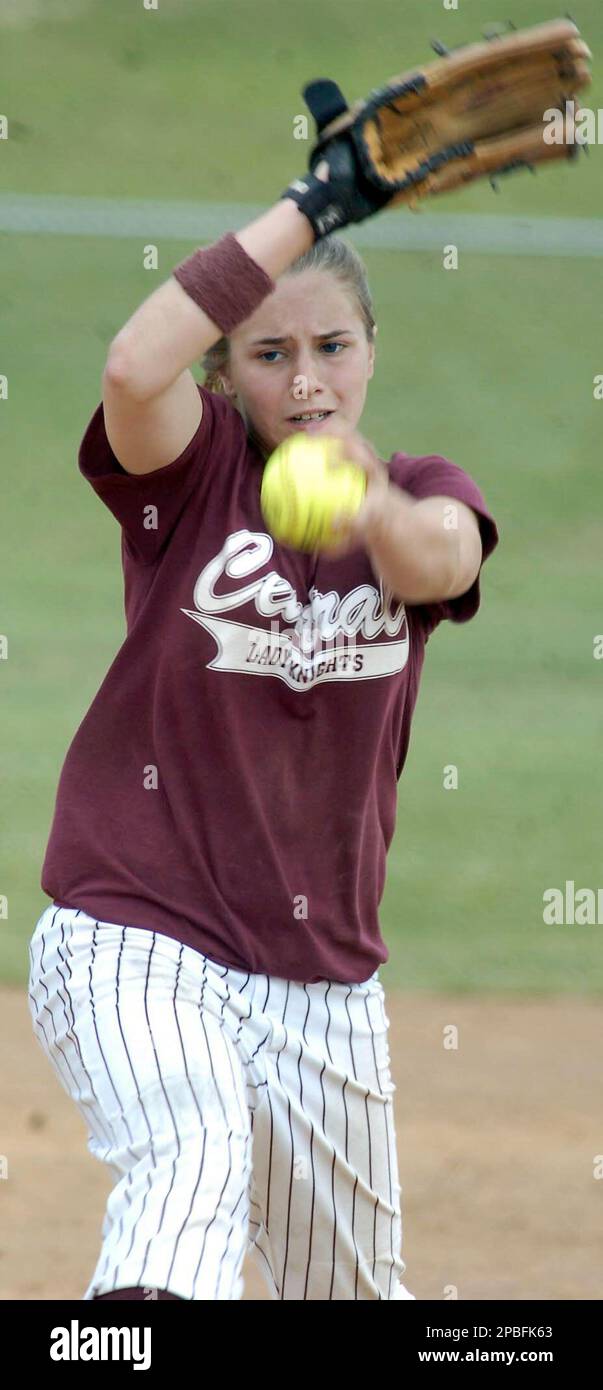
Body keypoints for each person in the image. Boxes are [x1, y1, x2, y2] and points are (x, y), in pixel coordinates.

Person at [27, 148, 498, 1301]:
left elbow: (443, 555)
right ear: (228, 374)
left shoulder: (423, 490)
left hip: (321, 981)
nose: (306, 381)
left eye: (333, 347)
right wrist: (311, 210)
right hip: (135, 934)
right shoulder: (193, 475)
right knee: (188, 1162)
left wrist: (366, 490)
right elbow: (136, 367)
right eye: (270, 354)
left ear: (372, 353)